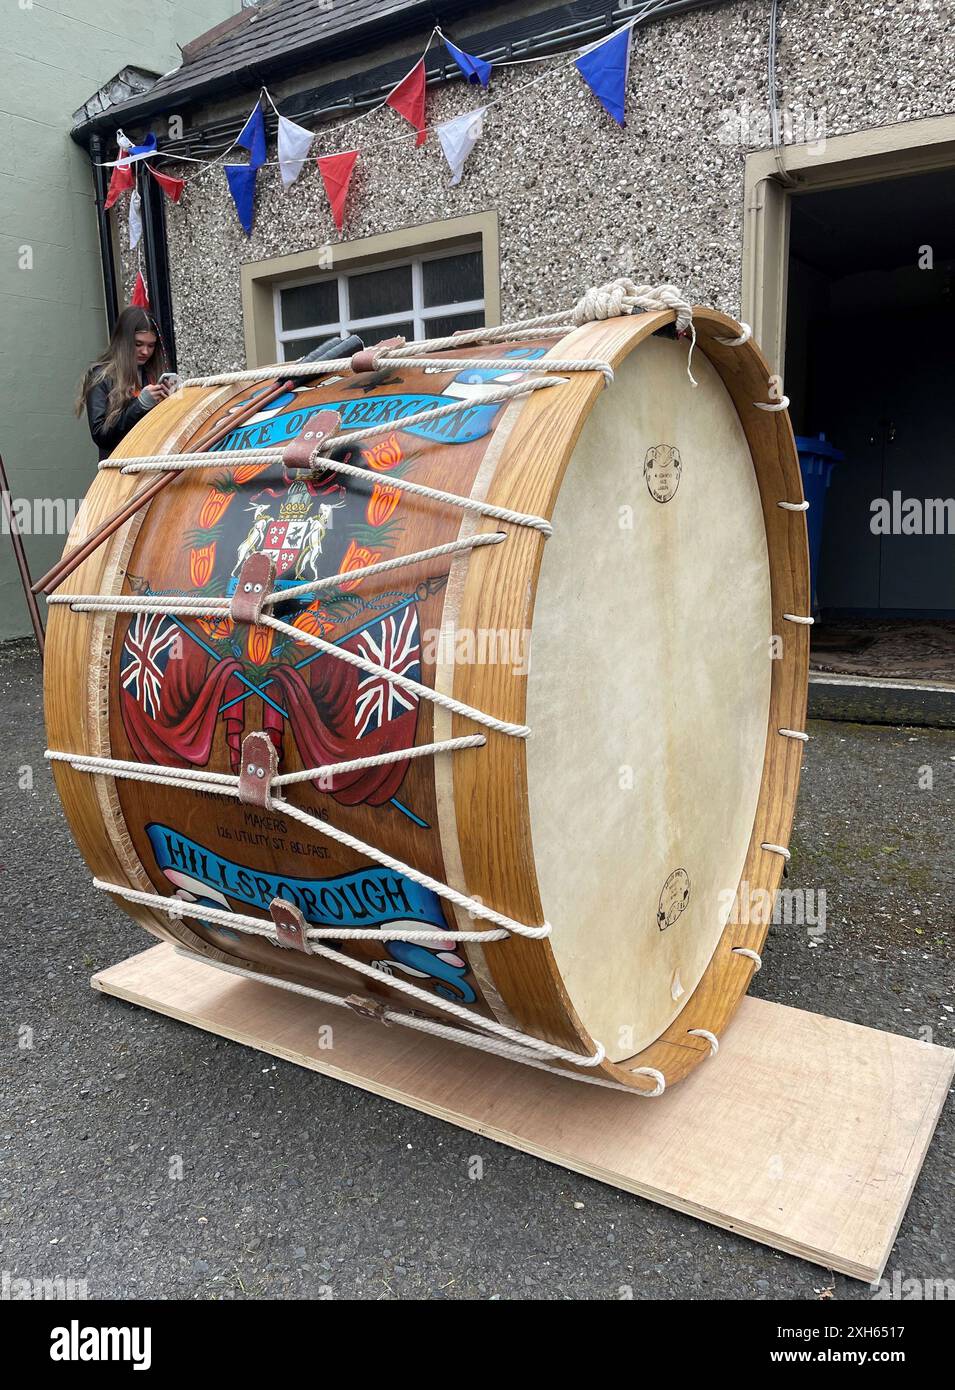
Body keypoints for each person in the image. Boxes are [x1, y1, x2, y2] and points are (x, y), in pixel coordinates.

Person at [75, 307, 173, 459]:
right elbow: (101, 435)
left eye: (151, 345)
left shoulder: (154, 374)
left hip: (154, 462)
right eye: (138, 344)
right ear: (123, 342)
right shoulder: (101, 376)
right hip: (120, 470)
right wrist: (140, 406)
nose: (145, 351)